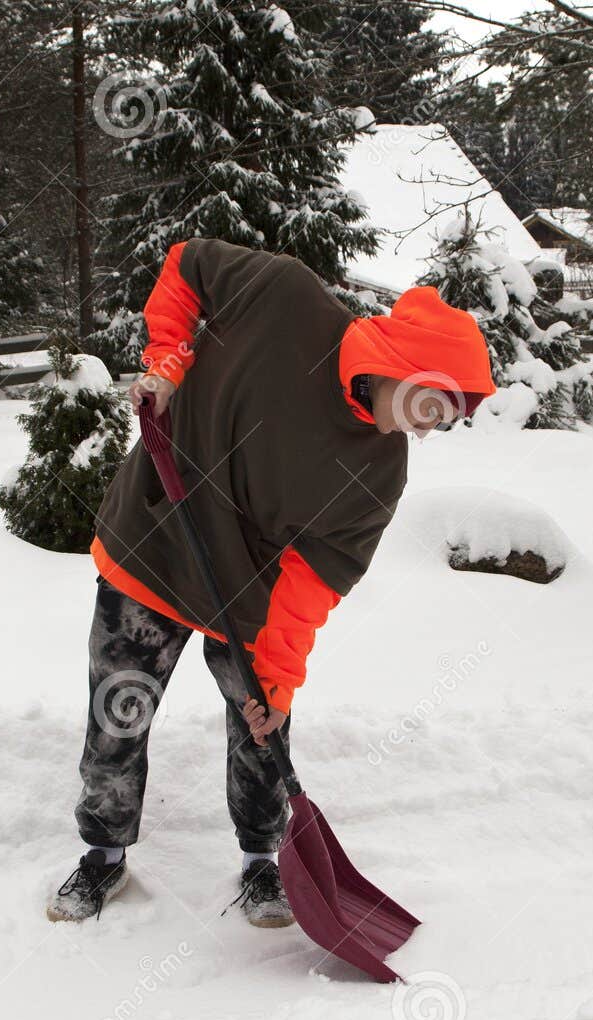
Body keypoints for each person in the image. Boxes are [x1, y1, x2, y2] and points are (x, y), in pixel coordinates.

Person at [47, 238, 495, 925]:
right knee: (120, 700)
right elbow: (185, 266)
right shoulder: (284, 296)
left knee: (263, 727)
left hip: (246, 586)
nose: (431, 432)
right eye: (436, 406)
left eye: (450, 417)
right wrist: (168, 361)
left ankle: (263, 860)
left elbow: (311, 583)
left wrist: (278, 683)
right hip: (156, 534)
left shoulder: (378, 473)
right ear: (405, 366)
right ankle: (102, 854)